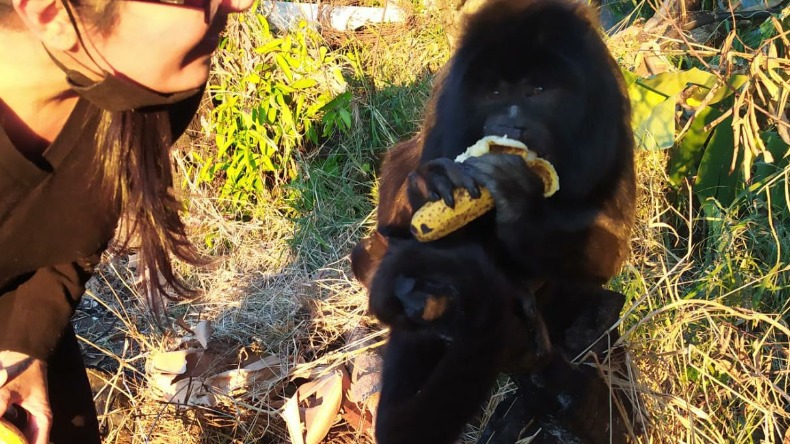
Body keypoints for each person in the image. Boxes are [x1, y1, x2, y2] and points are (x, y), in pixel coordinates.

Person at [0, 1, 254, 443]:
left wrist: (27, 341)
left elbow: (73, 225)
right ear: (50, 13)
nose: (242, 3)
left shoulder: (145, 89)